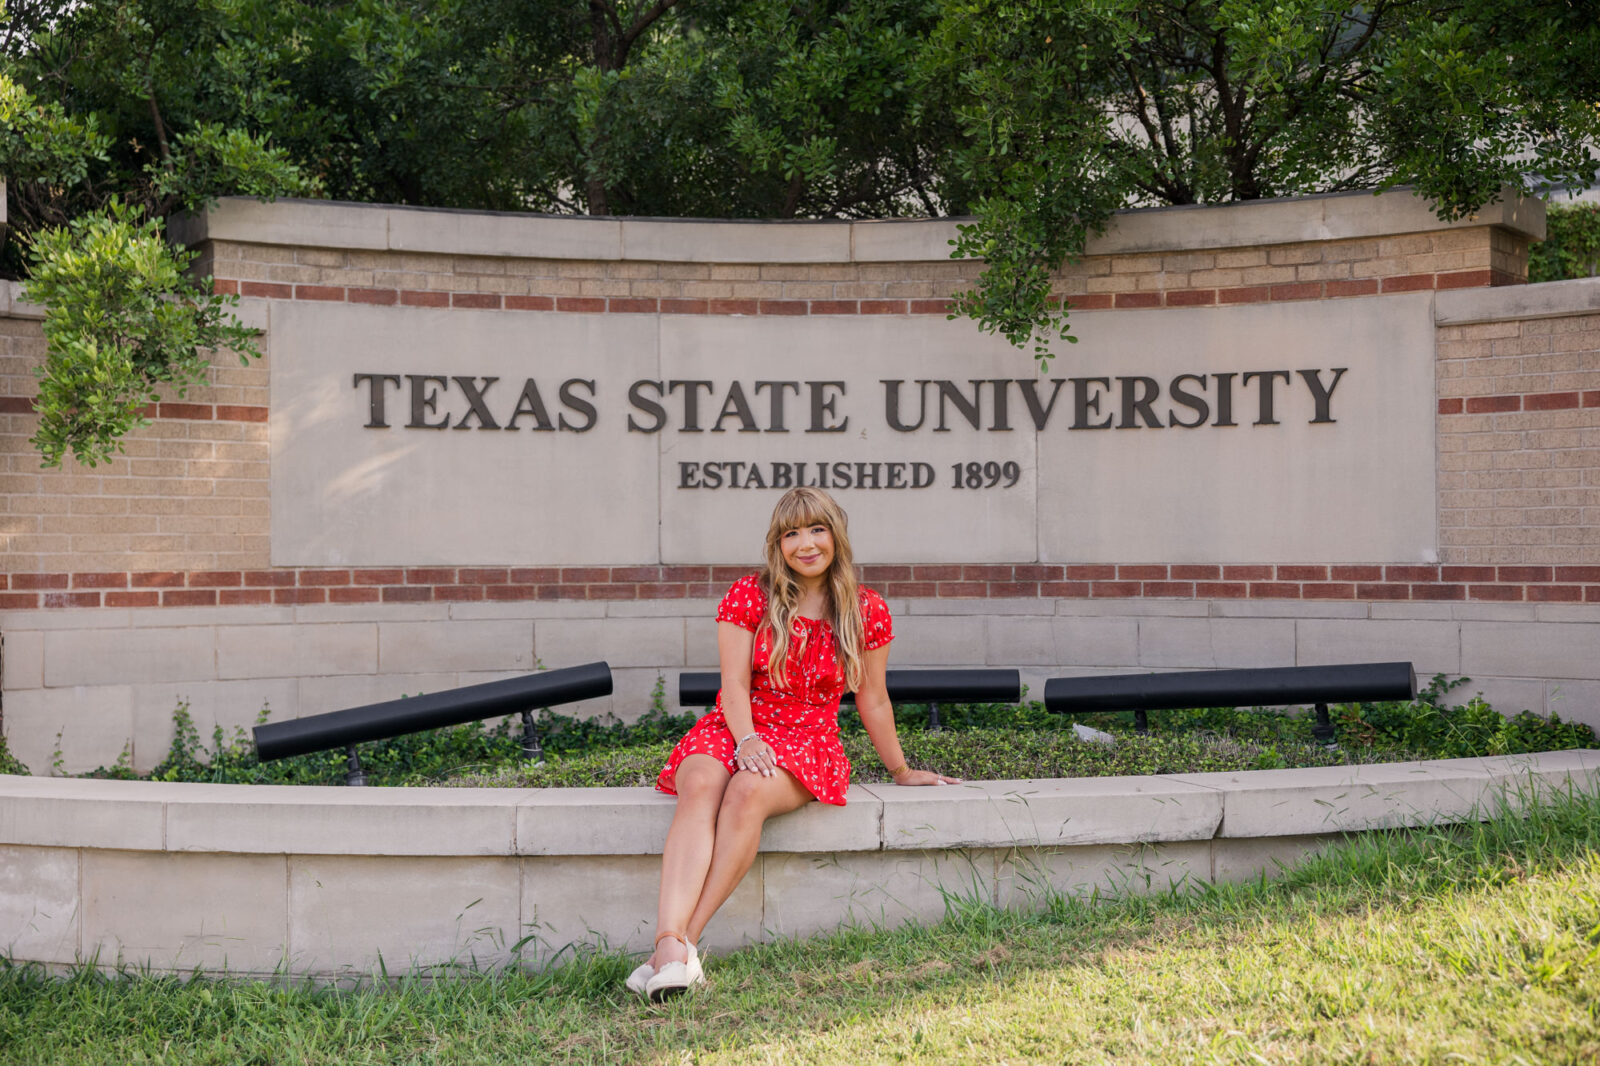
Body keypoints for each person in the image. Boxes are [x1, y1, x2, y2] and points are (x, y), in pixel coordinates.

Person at [629, 486, 961, 1002]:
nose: (805, 544)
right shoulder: (750, 594)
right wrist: (747, 739)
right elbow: (734, 685)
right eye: (792, 533)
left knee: (745, 793)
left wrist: (899, 770)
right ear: (777, 543)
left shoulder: (866, 609)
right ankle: (670, 946)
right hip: (739, 722)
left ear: (836, 535)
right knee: (698, 783)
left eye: (816, 529)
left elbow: (873, 699)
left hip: (808, 737)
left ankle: (677, 946)